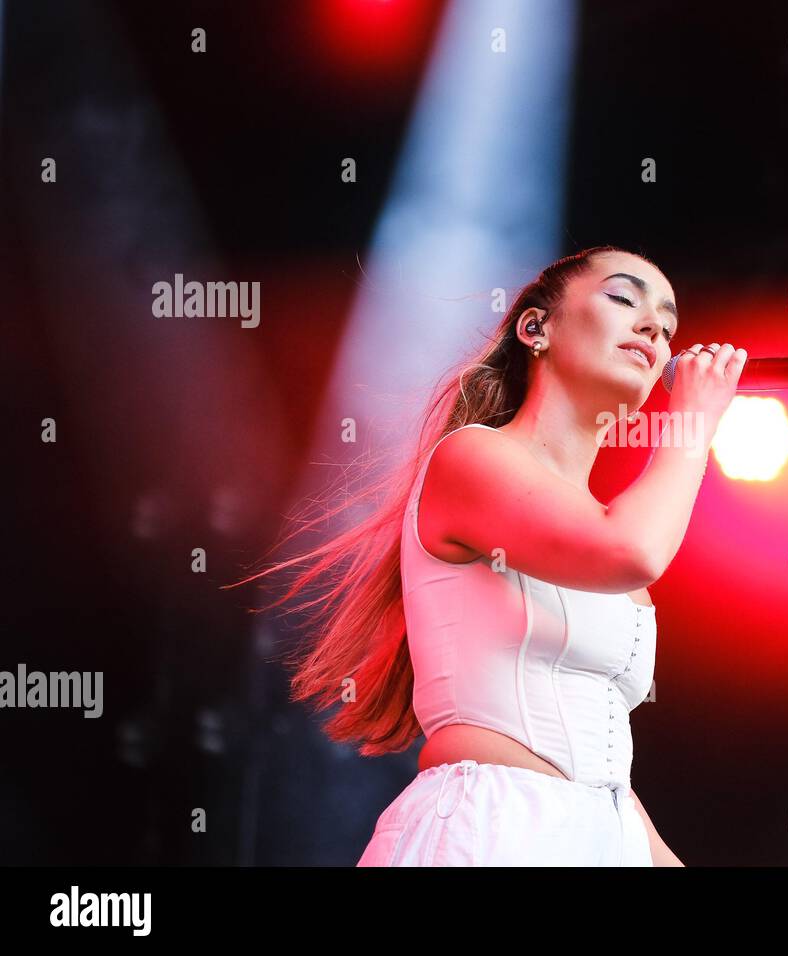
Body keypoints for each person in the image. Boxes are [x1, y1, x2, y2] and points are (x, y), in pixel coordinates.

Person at [231, 245, 744, 865]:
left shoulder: (594, 523)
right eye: (622, 297)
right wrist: (692, 422)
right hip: (491, 825)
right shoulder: (471, 458)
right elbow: (633, 551)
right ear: (536, 328)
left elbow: (606, 783)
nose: (654, 329)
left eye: (667, 325)